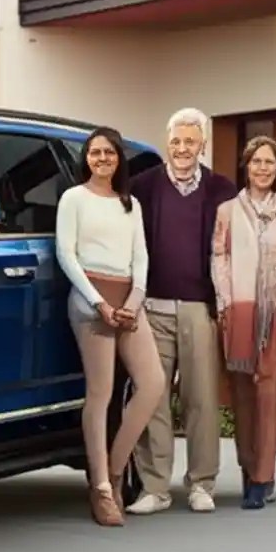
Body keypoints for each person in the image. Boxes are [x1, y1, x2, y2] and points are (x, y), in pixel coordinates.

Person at [127, 108, 237, 515]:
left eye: (190, 141)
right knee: (153, 396)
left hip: (200, 307)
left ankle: (202, 484)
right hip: (152, 306)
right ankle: (155, 488)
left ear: (202, 144)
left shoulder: (222, 190)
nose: (182, 149)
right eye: (176, 141)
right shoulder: (143, 187)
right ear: (167, 142)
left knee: (201, 399)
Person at [56, 126, 166, 527]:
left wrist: (135, 301)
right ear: (86, 158)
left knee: (152, 384)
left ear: (119, 159)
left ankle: (116, 470)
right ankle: (101, 488)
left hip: (129, 302)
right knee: (100, 393)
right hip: (91, 302)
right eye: (94, 152)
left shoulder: (129, 204)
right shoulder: (73, 199)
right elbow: (66, 254)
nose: (101, 158)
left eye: (109, 153)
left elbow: (141, 256)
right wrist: (98, 303)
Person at [211, 136, 276, 510]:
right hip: (239, 308)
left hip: (275, 310)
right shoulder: (227, 210)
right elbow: (219, 258)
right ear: (246, 166)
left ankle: (264, 475)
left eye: (269, 163)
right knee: (243, 393)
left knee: (269, 394)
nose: (263, 168)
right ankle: (248, 467)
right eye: (257, 161)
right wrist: (225, 304)